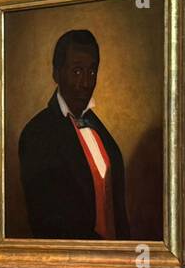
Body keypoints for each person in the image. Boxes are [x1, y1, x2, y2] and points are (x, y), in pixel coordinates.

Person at [17, 29, 131, 239]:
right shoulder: (36, 134)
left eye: (92, 72)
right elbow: (46, 221)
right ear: (56, 73)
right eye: (77, 71)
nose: (86, 83)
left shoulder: (99, 129)